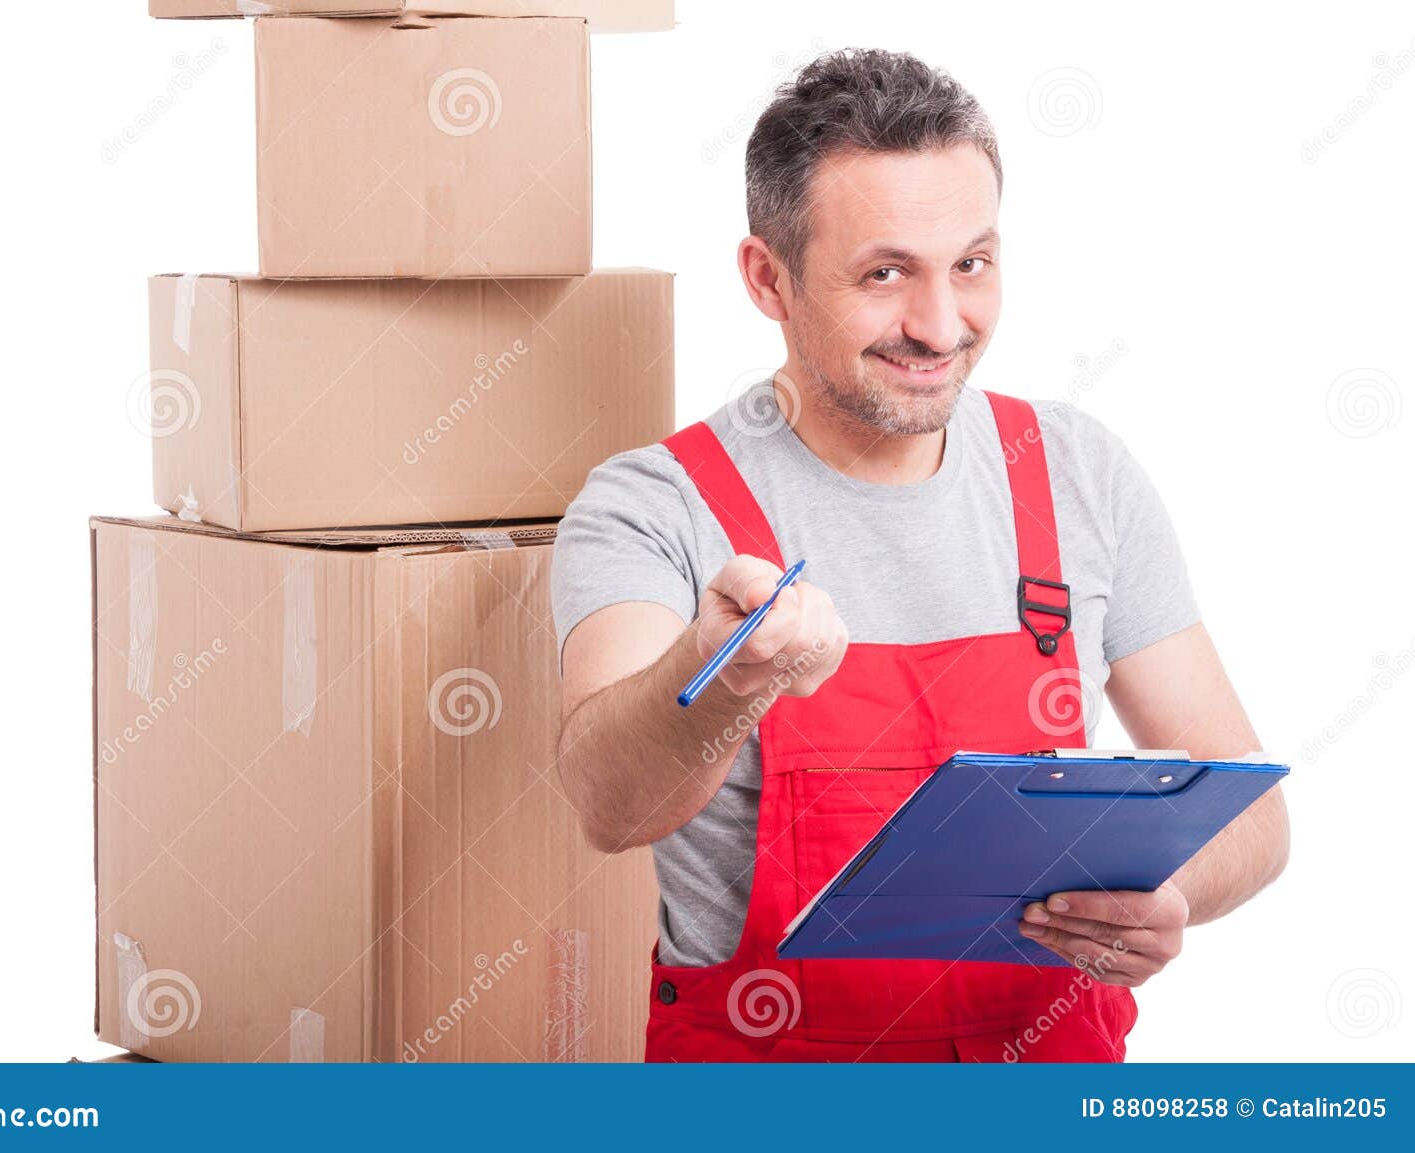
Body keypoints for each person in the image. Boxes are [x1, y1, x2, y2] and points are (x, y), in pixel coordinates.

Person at [551, 48, 1289, 1062]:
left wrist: (1167, 895)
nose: (941, 326)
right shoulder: (657, 504)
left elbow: (1247, 801)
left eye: (971, 265)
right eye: (885, 273)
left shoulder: (1075, 471)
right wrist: (720, 677)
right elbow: (609, 802)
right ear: (768, 278)